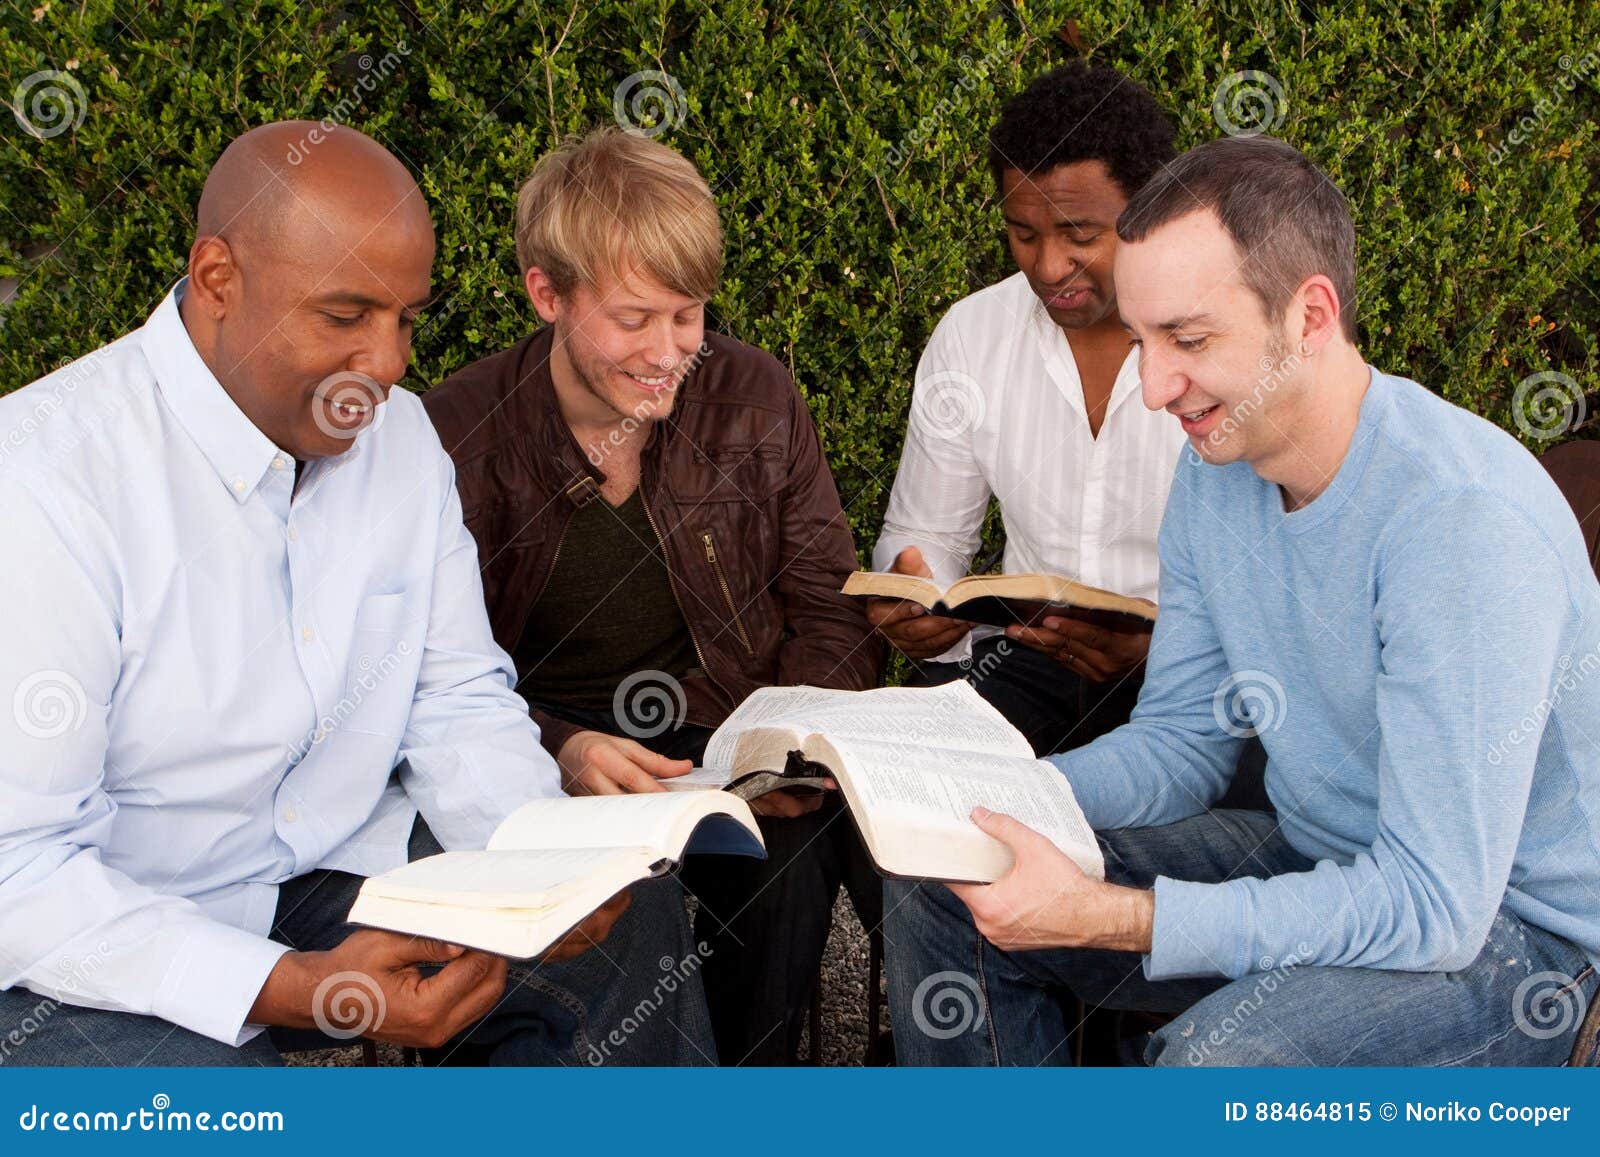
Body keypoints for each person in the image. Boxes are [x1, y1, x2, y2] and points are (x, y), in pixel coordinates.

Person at [0, 122, 712, 1067]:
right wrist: (297, 987)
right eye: (344, 316)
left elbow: (453, 696)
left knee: (625, 923)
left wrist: (541, 874)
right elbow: (21, 873)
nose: (387, 364)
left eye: (406, 318)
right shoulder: (44, 479)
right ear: (217, 280)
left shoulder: (402, 441)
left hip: (329, 864)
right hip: (110, 921)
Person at [885, 135, 1600, 1066]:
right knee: (951, 879)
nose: (1153, 387)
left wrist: (1115, 916)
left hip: (1512, 937)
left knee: (1210, 1071)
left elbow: (1432, 905)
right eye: (1142, 339)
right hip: (1321, 857)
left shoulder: (1456, 522)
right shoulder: (1217, 473)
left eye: (1186, 339)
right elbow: (1182, 741)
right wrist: (988, 797)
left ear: (1309, 315)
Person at [423, 127, 884, 1065]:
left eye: (689, 315)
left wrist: (785, 747)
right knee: (570, 911)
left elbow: (829, 604)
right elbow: (419, 679)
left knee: (787, 862)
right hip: (535, 742)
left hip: (721, 734)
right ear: (545, 292)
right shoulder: (456, 434)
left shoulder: (754, 397)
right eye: (634, 318)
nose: (671, 351)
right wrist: (558, 747)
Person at [868, 63, 1187, 758]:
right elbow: (922, 534)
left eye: (1080, 235)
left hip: (1193, 680)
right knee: (906, 797)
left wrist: (1157, 646)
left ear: (1150, 215)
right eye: (1022, 232)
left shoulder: (1216, 338)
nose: (1047, 266)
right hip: (1028, 665)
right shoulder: (973, 334)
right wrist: (917, 589)